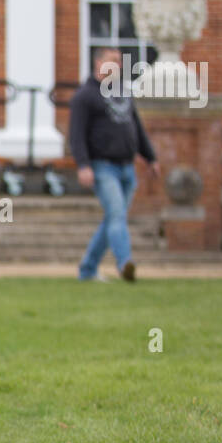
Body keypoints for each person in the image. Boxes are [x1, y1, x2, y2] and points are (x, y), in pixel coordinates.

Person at [69, 46, 162, 283]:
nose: (118, 66)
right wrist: (83, 165)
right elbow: (76, 134)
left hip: (127, 167)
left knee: (113, 218)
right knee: (117, 214)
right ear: (98, 64)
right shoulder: (85, 96)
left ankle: (88, 269)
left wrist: (150, 157)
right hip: (103, 167)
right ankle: (125, 263)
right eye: (113, 61)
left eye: (119, 62)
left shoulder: (122, 91)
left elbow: (136, 127)